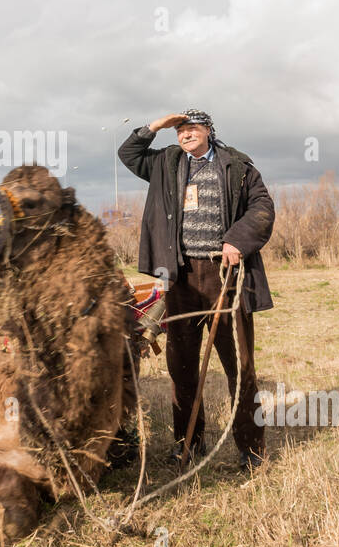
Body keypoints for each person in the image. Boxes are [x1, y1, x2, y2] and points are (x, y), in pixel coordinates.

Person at [118, 109, 275, 471]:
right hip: (180, 276)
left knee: (239, 366)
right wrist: (155, 125)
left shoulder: (237, 165)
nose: (185, 135)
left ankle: (251, 450)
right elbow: (129, 154)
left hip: (225, 273)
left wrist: (238, 240)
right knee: (182, 368)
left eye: (191, 128)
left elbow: (262, 206)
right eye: (180, 130)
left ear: (208, 130)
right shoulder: (166, 164)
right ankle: (187, 444)